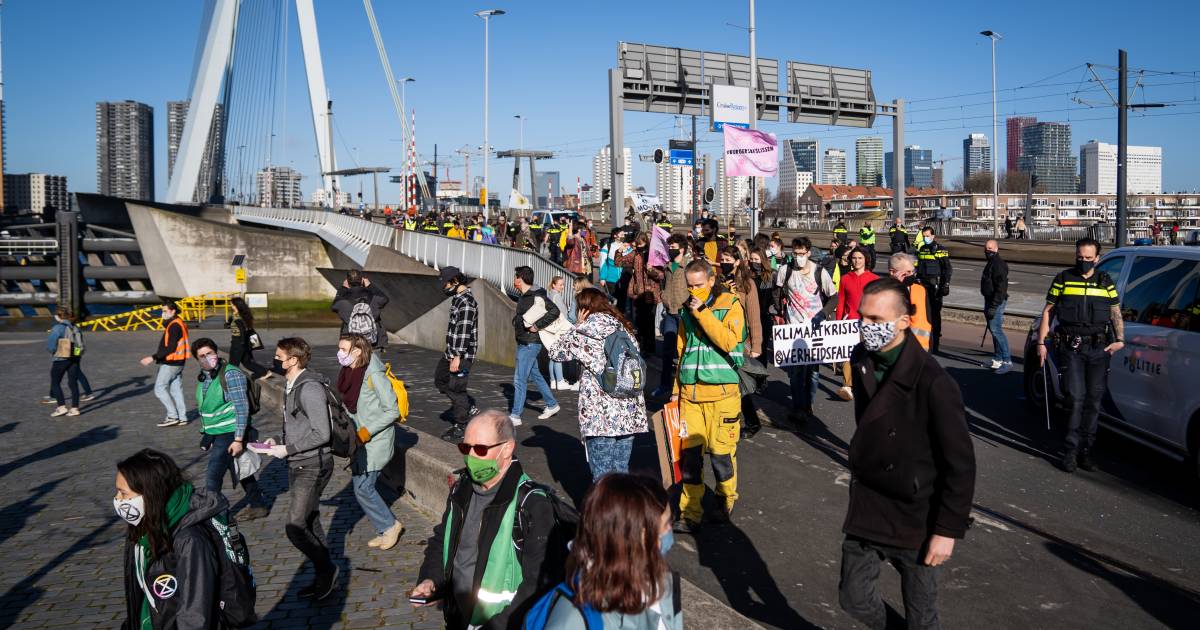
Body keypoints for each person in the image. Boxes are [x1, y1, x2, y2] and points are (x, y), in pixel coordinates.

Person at [838, 278, 977, 630]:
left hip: (916, 515)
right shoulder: (863, 359)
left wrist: (948, 530)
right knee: (853, 597)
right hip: (869, 506)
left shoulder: (934, 382)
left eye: (874, 320)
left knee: (922, 617)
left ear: (902, 322)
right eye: (861, 317)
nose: (864, 326)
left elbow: (960, 464)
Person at [411, 411, 562, 629]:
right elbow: (442, 538)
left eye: (480, 449)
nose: (471, 457)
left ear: (507, 448)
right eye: (465, 448)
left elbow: (539, 584)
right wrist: (431, 580)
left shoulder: (532, 505)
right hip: (458, 618)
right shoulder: (461, 488)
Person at [539, 474, 682, 629]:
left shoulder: (661, 582)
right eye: (667, 523)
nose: (669, 531)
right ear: (637, 536)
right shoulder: (573, 618)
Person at [256, 337, 339, 600]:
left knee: (295, 525)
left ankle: (328, 569)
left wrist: (288, 450)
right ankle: (324, 579)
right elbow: (298, 427)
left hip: (313, 463)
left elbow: (322, 433)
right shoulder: (291, 384)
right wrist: (278, 442)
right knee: (310, 521)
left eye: (280, 357)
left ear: (294, 360)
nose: (276, 360)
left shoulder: (309, 388)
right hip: (299, 461)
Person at [1036, 238, 1124, 474]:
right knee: (1075, 398)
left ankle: (1086, 451)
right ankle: (1070, 452)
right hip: (1071, 348)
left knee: (1094, 401)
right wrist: (1041, 342)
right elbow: (1048, 311)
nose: (1083, 261)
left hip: (1099, 349)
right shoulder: (1063, 279)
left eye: (1088, 258)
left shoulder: (1105, 282)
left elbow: (1116, 313)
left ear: (1097, 258)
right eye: (1079, 257)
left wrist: (1120, 340)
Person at [117, 449, 230, 630]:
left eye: (123, 493)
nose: (117, 500)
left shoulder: (190, 540)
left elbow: (195, 613)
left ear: (150, 494)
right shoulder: (142, 529)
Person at [673, 259, 747, 533]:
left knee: (721, 454)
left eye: (699, 285)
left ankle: (725, 499)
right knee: (690, 457)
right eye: (690, 286)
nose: (694, 291)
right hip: (691, 394)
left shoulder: (730, 305)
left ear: (711, 280)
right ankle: (690, 512)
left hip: (722, 394)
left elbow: (729, 341)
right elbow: (681, 351)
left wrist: (703, 312)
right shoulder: (686, 310)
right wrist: (675, 391)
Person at [548, 289, 650, 480]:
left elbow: (556, 352)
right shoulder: (623, 327)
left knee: (603, 478)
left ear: (584, 309)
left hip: (600, 416)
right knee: (621, 473)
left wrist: (576, 326)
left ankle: (604, 510)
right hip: (629, 413)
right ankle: (623, 510)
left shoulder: (585, 331)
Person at [335, 333, 405, 549]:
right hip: (359, 440)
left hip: (375, 439)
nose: (339, 353)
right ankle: (385, 528)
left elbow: (391, 410)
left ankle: (391, 526)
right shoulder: (350, 370)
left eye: (343, 349)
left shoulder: (373, 373)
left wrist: (366, 431)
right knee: (361, 486)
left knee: (363, 487)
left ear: (357, 351)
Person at [775, 237, 837, 424]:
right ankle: (798, 407)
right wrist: (779, 311)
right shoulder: (785, 271)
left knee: (812, 371)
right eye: (795, 253)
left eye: (802, 254)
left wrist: (823, 315)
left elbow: (834, 297)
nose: (798, 257)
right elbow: (777, 291)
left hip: (814, 329)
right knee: (795, 372)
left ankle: (808, 405)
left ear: (809, 253)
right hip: (793, 329)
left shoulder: (820, 272)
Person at [719, 245, 764, 438]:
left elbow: (754, 317)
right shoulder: (717, 281)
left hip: (740, 341)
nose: (724, 264)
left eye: (729, 261)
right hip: (720, 339)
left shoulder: (747, 284)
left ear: (737, 262)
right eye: (722, 260)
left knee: (740, 385)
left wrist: (756, 346)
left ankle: (752, 422)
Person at [510, 266, 561, 426]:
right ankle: (552, 404)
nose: (513, 280)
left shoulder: (536, 295)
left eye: (515, 277)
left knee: (519, 379)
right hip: (525, 341)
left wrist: (537, 326)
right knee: (536, 375)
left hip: (530, 343)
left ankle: (515, 416)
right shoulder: (525, 296)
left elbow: (555, 311)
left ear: (519, 279)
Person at [437, 266, 481, 442]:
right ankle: (467, 406)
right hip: (451, 352)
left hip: (461, 355)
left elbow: (464, 331)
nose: (444, 287)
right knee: (440, 379)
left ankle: (461, 426)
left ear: (455, 281)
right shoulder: (457, 299)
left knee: (457, 388)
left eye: (446, 284)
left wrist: (457, 356)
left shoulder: (466, 303)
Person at [835, 248, 880, 401]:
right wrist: (838, 322)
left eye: (860, 258)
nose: (856, 261)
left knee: (868, 355)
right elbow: (841, 302)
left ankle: (867, 384)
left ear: (865, 259)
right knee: (847, 355)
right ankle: (847, 386)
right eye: (854, 258)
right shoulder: (845, 278)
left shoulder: (874, 279)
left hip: (868, 322)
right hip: (849, 322)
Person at [140, 300, 190, 428]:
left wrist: (152, 357)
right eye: (162, 311)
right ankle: (182, 417)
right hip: (179, 361)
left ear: (173, 311)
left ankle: (172, 416)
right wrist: (165, 320)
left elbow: (171, 347)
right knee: (176, 390)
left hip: (171, 362)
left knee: (159, 389)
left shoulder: (174, 325)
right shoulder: (177, 322)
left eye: (165, 311)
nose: (163, 313)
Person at [616, 232, 664, 352]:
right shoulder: (635, 254)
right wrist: (619, 251)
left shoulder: (654, 255)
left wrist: (651, 270)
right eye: (636, 245)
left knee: (649, 321)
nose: (637, 247)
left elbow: (660, 275)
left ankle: (649, 348)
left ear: (646, 242)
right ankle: (642, 346)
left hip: (651, 293)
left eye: (640, 244)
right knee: (640, 321)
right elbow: (619, 262)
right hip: (638, 293)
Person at [655, 234, 690, 397]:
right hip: (670, 313)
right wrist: (664, 296)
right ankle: (664, 385)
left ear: (682, 249)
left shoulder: (688, 266)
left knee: (685, 351)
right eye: (669, 247)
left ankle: (683, 386)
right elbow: (665, 285)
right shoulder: (668, 266)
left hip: (684, 313)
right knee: (667, 351)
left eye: (673, 247)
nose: (670, 250)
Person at [915, 227, 952, 353]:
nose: (925, 238)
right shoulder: (922, 248)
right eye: (923, 236)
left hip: (935, 286)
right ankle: (925, 340)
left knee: (935, 314)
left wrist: (945, 284)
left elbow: (947, 268)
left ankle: (935, 342)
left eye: (927, 236)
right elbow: (918, 265)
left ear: (933, 236)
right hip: (922, 285)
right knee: (924, 313)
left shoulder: (940, 249)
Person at [332, 269, 389, 350]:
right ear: (362, 281)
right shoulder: (374, 296)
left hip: (351, 339)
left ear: (347, 282)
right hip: (374, 340)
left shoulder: (342, 300)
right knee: (374, 360)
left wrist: (343, 289)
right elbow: (384, 299)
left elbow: (334, 306)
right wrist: (370, 285)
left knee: (353, 362)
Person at [887, 253, 932, 351]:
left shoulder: (920, 290)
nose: (911, 275)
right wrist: (897, 286)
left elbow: (927, 319)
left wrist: (930, 344)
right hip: (896, 349)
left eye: (912, 271)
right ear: (892, 272)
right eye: (907, 272)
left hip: (921, 347)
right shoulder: (885, 291)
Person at [980, 239, 1012, 374]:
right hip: (990, 300)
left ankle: (1007, 361)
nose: (988, 251)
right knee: (994, 330)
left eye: (991, 248)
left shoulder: (998, 264)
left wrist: (993, 306)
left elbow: (1001, 288)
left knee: (996, 329)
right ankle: (997, 359)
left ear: (997, 249)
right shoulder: (991, 263)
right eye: (987, 248)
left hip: (996, 302)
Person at [46, 307, 84, 417]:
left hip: (61, 358)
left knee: (55, 383)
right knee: (73, 383)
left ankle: (61, 407)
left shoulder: (57, 328)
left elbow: (51, 344)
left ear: (58, 316)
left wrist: (53, 352)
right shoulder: (75, 327)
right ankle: (75, 408)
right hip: (75, 357)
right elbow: (80, 342)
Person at [226, 296, 268, 379]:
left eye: (232, 304)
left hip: (238, 342)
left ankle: (233, 380)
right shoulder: (243, 315)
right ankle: (263, 371)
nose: (231, 306)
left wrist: (241, 342)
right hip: (241, 342)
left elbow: (242, 330)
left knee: (233, 364)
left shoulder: (238, 317)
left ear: (236, 305)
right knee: (246, 362)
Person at [546, 276, 575, 391]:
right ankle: (560, 380)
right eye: (560, 285)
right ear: (554, 285)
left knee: (552, 355)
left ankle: (553, 381)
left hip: (551, 328)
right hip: (559, 328)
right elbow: (563, 313)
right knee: (558, 355)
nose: (562, 287)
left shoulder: (550, 295)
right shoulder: (557, 296)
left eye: (563, 285)